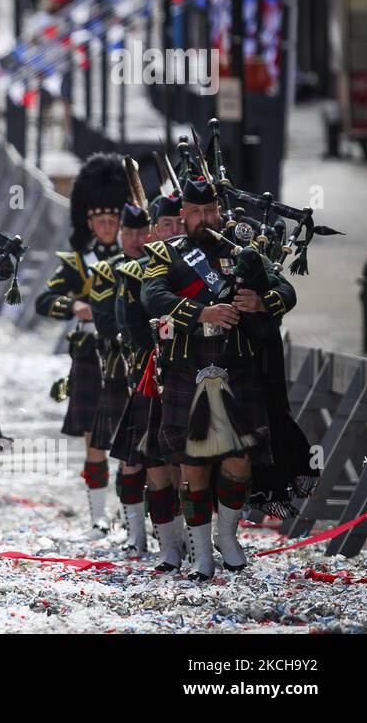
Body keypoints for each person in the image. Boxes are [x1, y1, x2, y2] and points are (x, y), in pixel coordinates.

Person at [141, 175, 295, 579]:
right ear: (184, 215)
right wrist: (202, 313)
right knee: (192, 465)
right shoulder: (164, 253)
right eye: (196, 212)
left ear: (219, 210)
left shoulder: (244, 250)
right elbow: (152, 296)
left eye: (211, 210)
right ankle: (201, 554)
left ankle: (228, 537)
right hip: (186, 366)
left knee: (239, 458)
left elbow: (287, 291)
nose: (205, 218)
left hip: (236, 365)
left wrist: (263, 302)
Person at [34, 152, 128, 538]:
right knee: (94, 438)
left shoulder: (138, 256)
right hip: (90, 356)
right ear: (88, 219)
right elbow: (44, 301)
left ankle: (132, 515)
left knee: (132, 441)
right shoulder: (77, 261)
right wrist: (74, 305)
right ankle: (97, 517)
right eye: (100, 219)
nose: (107, 226)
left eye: (113, 219)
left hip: (129, 357)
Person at [113, 193, 187, 571]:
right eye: (167, 225)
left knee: (191, 465)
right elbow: (135, 332)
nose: (175, 230)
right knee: (155, 465)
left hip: (196, 373)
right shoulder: (134, 272)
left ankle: (196, 541)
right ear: (154, 230)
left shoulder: (204, 264)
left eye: (180, 223)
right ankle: (170, 547)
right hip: (153, 377)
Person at [88, 199, 153, 554]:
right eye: (129, 232)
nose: (136, 239)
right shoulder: (107, 271)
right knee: (130, 456)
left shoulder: (164, 266)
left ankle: (166, 528)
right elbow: (105, 323)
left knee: (165, 457)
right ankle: (134, 531)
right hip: (121, 373)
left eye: (142, 231)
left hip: (160, 370)